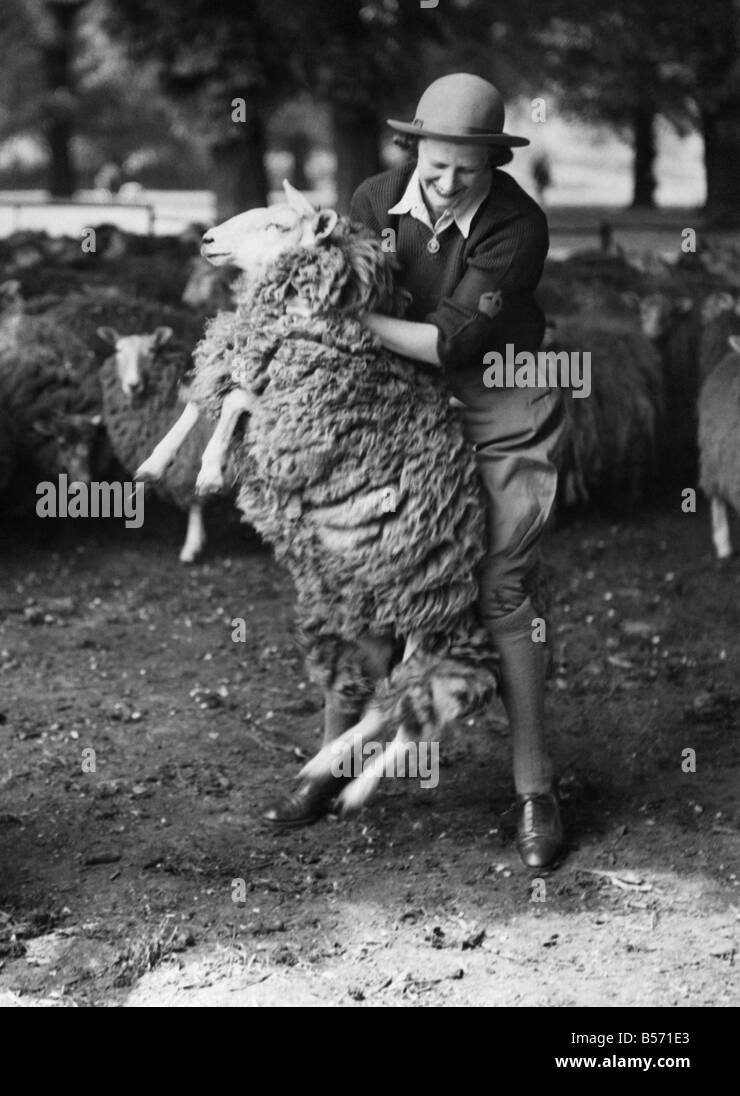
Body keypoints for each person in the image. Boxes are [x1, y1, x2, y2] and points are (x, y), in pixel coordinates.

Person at [263, 73, 566, 870]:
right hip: (400, 405)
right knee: (365, 578)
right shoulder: (374, 197)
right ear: (417, 145)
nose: (448, 180)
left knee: (498, 588)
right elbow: (345, 278)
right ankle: (334, 764)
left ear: (493, 161)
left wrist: (347, 315)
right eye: (437, 161)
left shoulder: (517, 227)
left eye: (468, 167)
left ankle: (536, 790)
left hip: (499, 403)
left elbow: (453, 341)